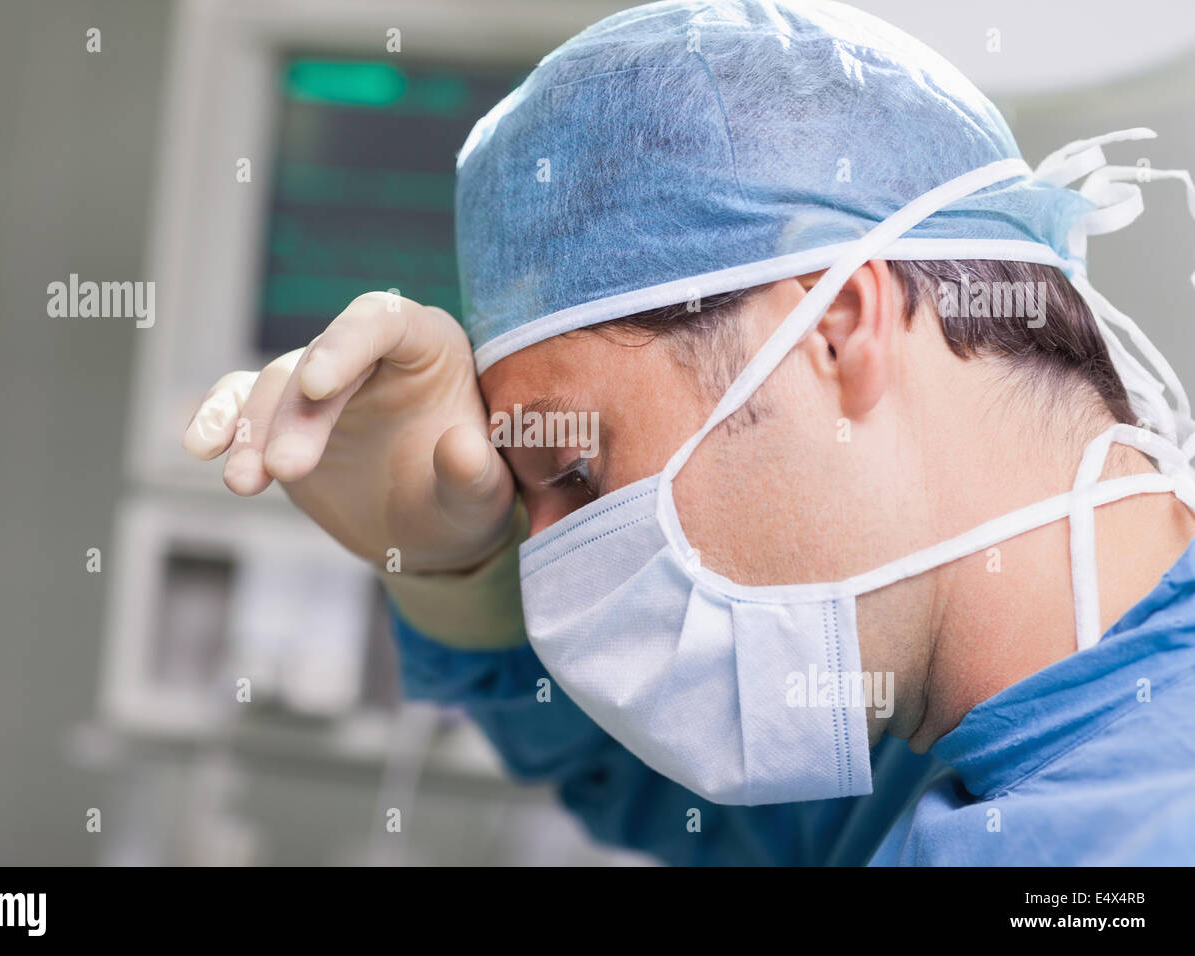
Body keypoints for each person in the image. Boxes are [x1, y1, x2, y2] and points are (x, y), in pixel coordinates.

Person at [182, 0, 1195, 864]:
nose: (548, 564)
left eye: (575, 471)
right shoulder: (923, 756)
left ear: (837, 330)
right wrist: (452, 568)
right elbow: (648, 778)